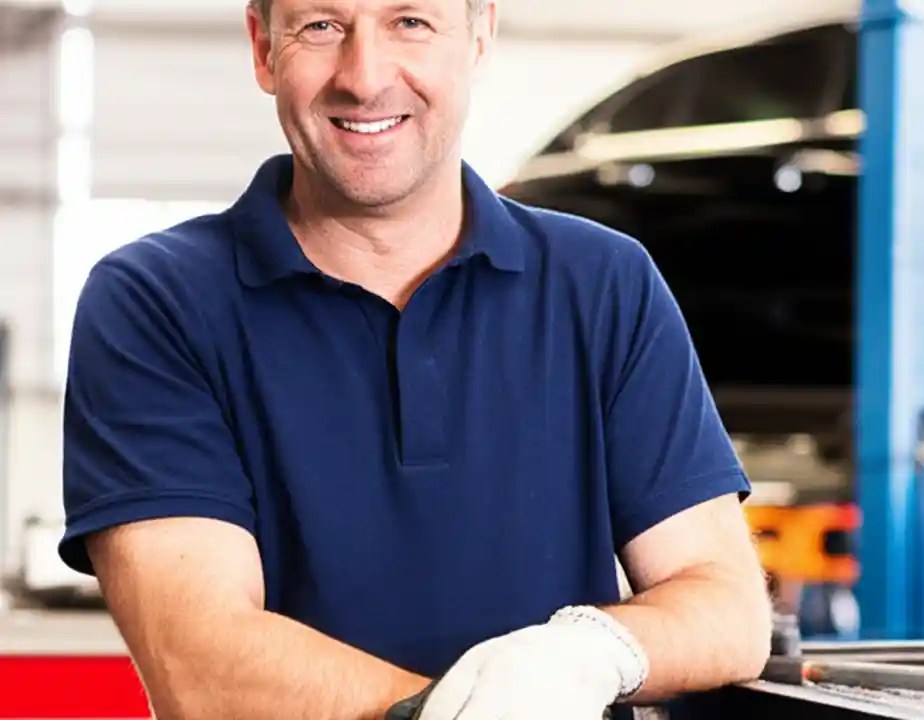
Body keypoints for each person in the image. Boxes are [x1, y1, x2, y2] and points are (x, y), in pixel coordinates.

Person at [58, 0, 772, 718]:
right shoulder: (156, 300)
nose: (365, 78)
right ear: (263, 48)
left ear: (480, 34)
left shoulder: (602, 283)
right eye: (321, 26)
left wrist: (585, 653)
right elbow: (200, 664)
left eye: (411, 22)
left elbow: (724, 605)